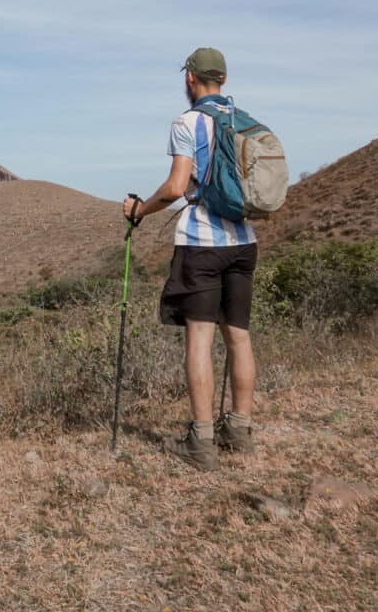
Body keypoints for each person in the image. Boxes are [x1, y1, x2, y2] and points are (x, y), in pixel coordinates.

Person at [122, 47, 258, 471]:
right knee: (238, 336)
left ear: (190, 80)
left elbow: (177, 186)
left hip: (202, 244)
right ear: (224, 79)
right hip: (244, 241)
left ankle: (200, 442)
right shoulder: (244, 122)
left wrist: (140, 210)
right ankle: (239, 430)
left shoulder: (187, 123)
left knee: (199, 340)